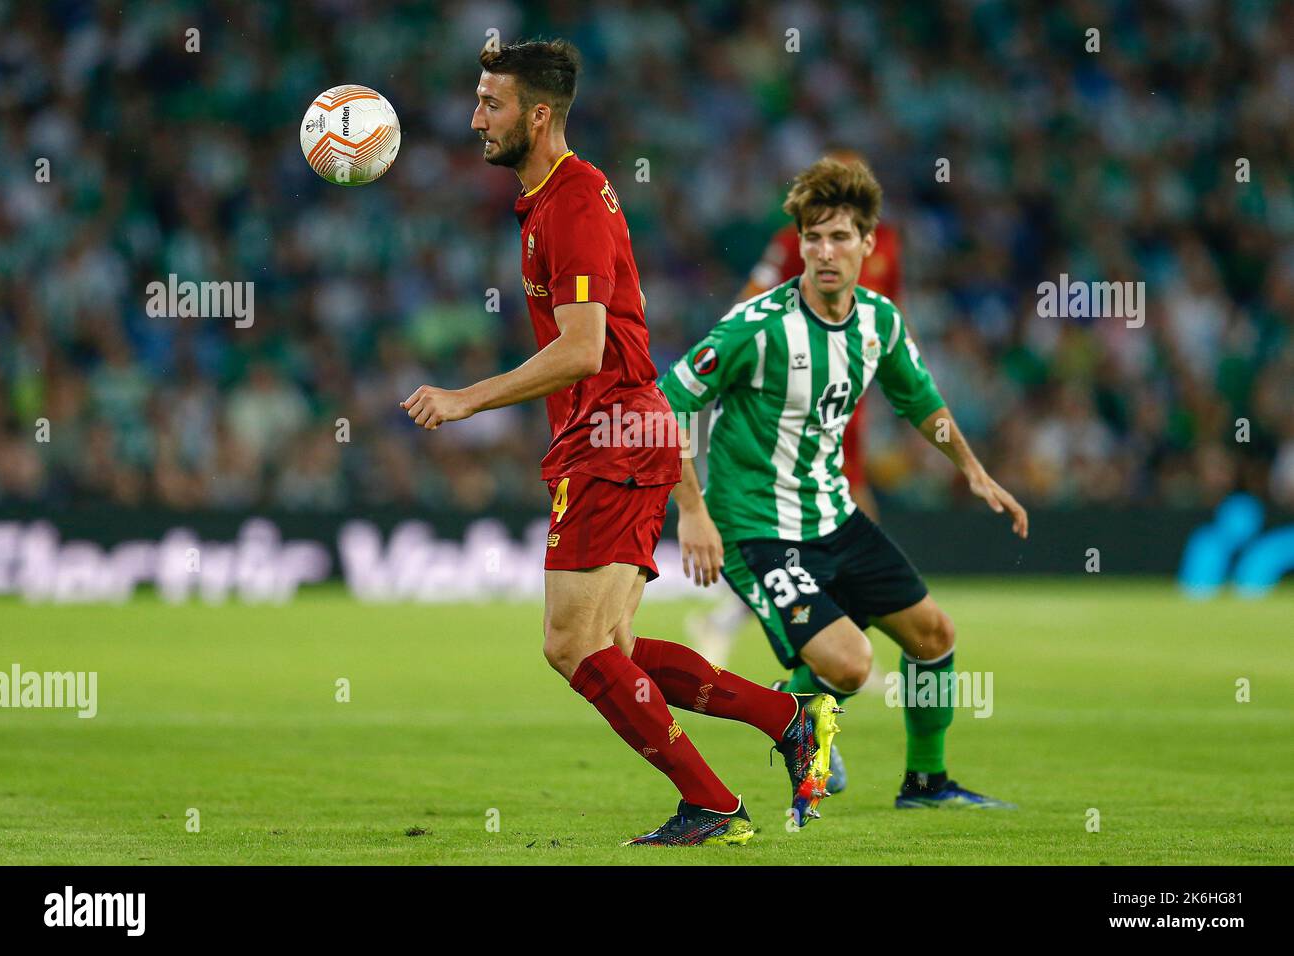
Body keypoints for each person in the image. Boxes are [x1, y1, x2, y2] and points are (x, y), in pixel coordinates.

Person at [400, 39, 841, 845]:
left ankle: (714, 803)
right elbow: (633, 365)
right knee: (616, 648)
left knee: (571, 645)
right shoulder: (551, 198)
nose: (475, 118)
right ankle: (791, 719)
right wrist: (691, 500)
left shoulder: (572, 201)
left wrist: (469, 399)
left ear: (538, 115)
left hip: (607, 438)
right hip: (624, 431)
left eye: (490, 104)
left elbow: (587, 349)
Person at [659, 156, 1027, 808]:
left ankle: (925, 782)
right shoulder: (757, 326)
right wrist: (691, 509)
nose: (824, 252)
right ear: (799, 244)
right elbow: (668, 403)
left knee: (934, 635)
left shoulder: (878, 322)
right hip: (755, 529)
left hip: (833, 516)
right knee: (852, 663)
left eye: (839, 237)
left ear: (868, 242)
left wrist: (972, 470)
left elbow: (920, 400)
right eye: (812, 237)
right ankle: (795, 720)